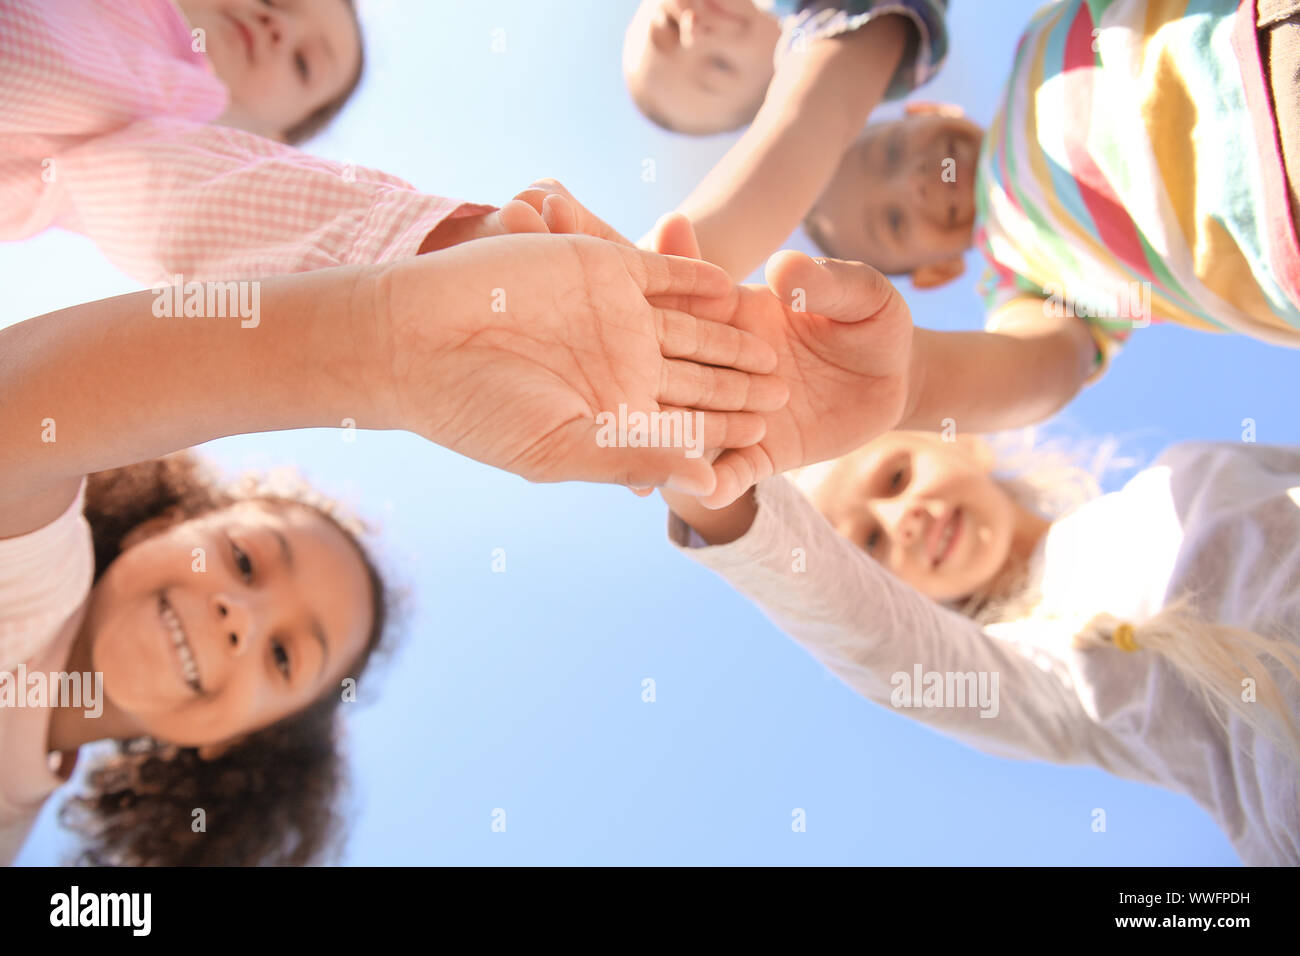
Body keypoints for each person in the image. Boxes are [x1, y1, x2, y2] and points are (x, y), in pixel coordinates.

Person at [0, 230, 786, 865]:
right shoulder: (31, 565)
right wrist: (383, 346)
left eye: (282, 659)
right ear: (156, 528)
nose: (241, 617)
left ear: (227, 741)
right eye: (243, 560)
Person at [803, 0, 1300, 417]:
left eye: (890, 152)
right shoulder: (1015, 275)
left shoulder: (1041, 37)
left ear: (927, 110)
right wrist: (911, 390)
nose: (912, 183)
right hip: (1284, 243)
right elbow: (1037, 363)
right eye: (894, 220)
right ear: (937, 271)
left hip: (1266, 39)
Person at [621, 0, 949, 279]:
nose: (695, 32)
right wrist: (657, 277)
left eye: (671, 25)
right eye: (720, 66)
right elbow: (807, 124)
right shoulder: (829, 18)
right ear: (785, 76)